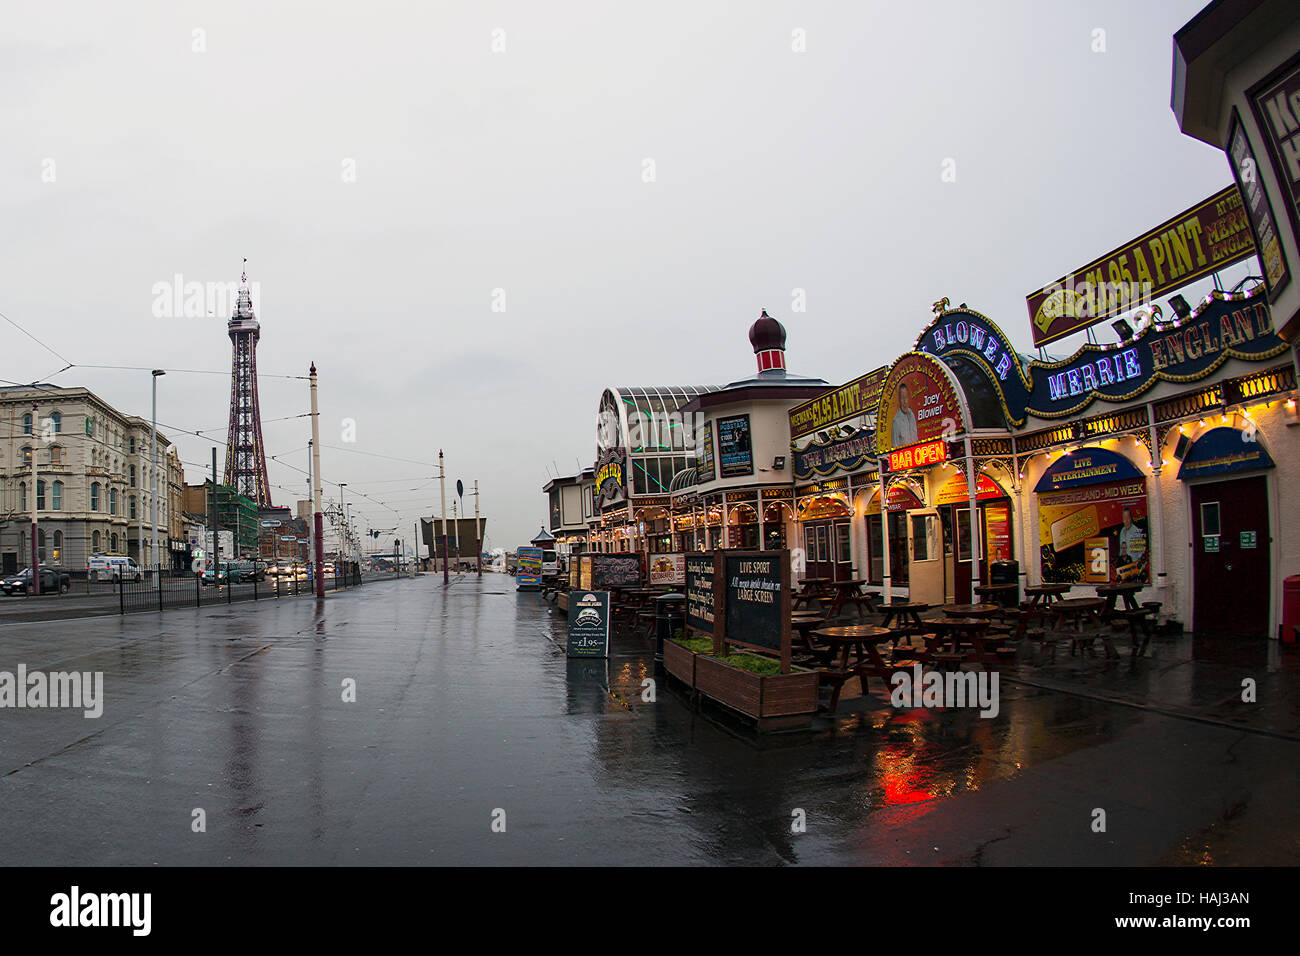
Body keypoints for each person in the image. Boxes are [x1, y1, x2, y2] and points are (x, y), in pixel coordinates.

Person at [890, 382, 919, 447]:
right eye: (902, 398)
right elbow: (895, 446)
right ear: (899, 400)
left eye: (906, 398)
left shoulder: (912, 415)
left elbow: (916, 438)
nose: (905, 402)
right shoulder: (896, 421)